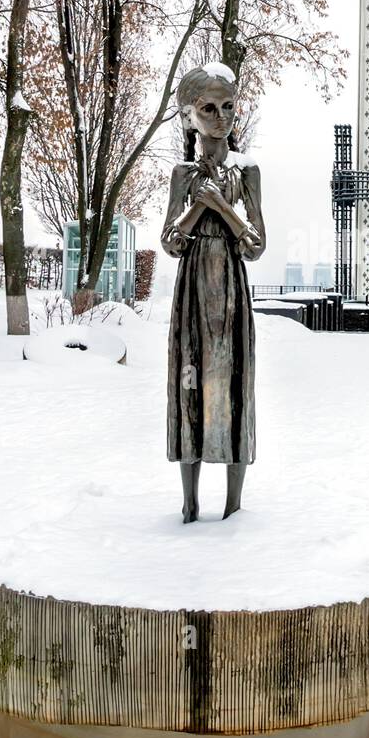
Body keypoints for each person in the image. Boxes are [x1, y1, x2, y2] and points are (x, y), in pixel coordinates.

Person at [160, 64, 265, 521]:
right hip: (192, 293)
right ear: (190, 116)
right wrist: (194, 208)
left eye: (227, 107)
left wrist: (222, 206)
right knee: (189, 383)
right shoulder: (182, 175)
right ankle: (189, 503)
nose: (220, 117)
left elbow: (256, 245)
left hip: (232, 293)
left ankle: (234, 506)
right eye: (208, 108)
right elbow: (170, 241)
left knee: (233, 386)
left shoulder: (247, 171)